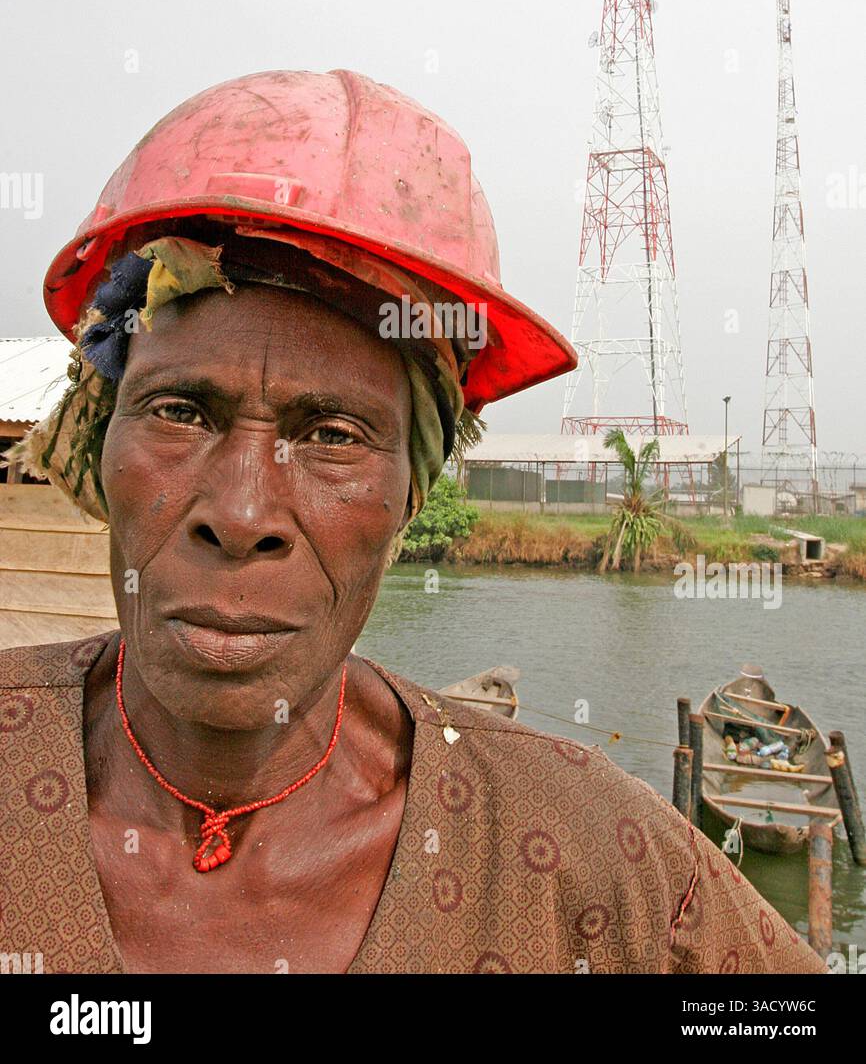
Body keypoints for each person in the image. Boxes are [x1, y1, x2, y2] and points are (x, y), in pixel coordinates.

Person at [1, 69, 824, 974]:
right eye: (180, 412)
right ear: (98, 442)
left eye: (333, 435)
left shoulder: (611, 875)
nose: (239, 515)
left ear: (411, 495)